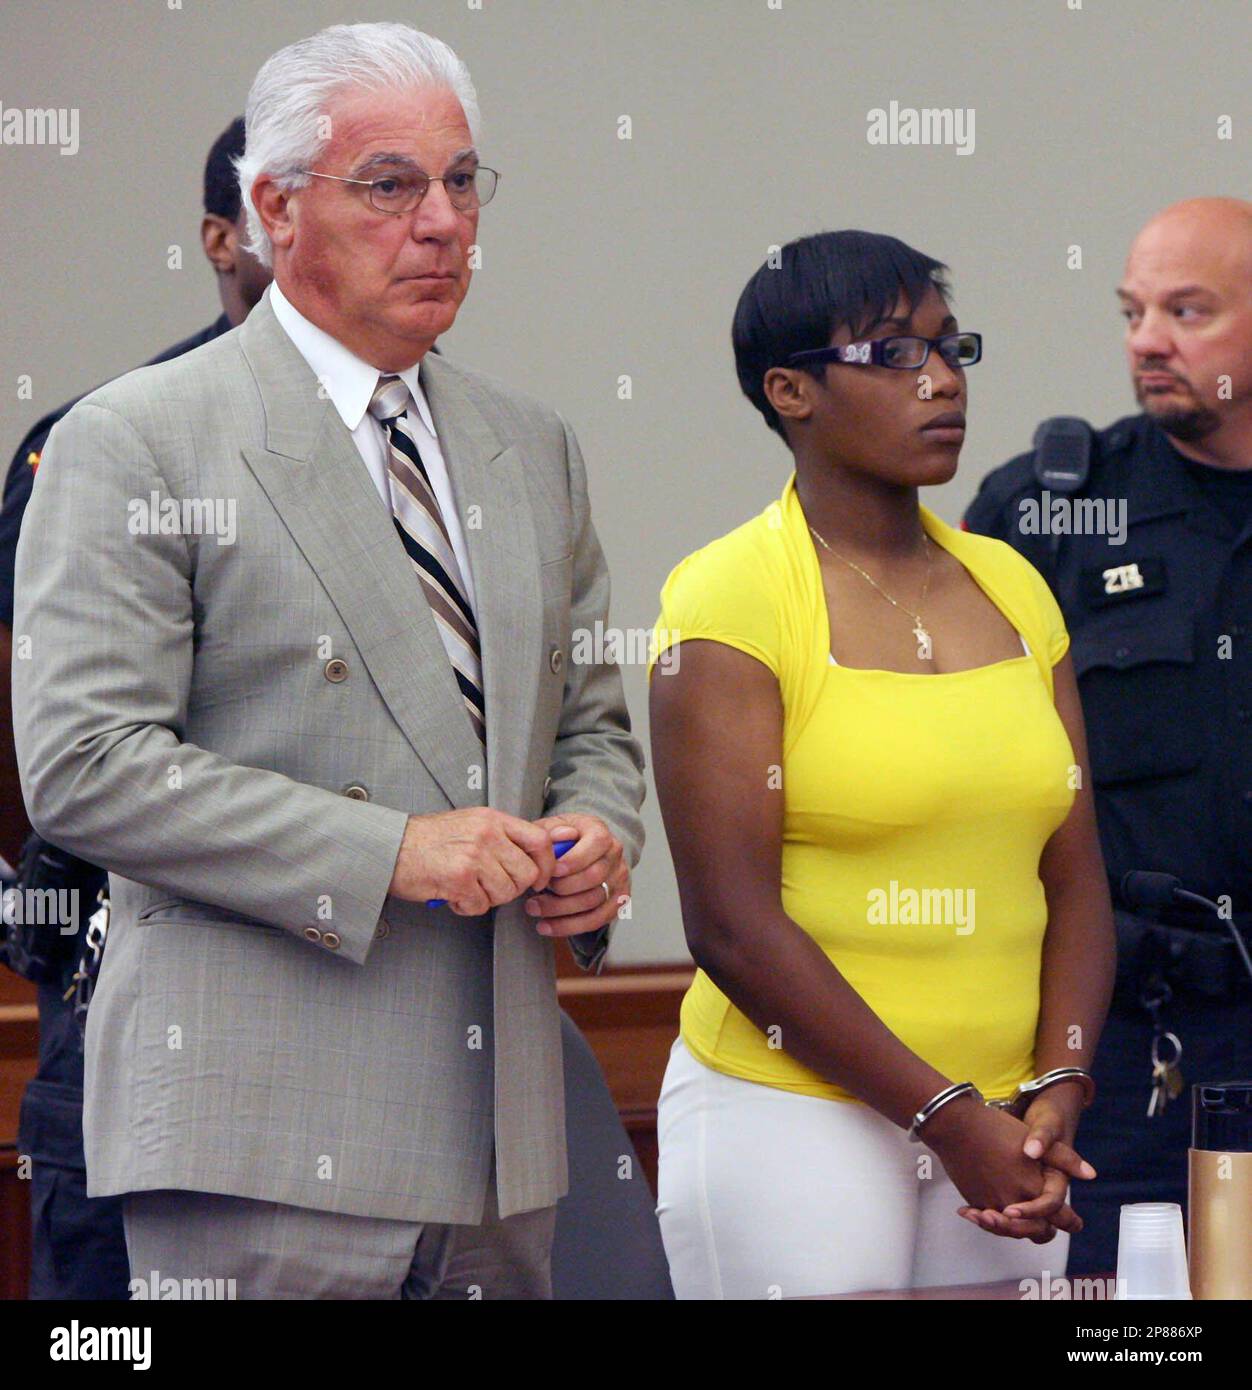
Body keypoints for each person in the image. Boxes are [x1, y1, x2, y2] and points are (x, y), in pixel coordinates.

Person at [12, 21, 644, 1300]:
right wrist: (393, 853)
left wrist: (595, 828)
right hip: (258, 1131)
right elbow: (84, 768)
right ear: (273, 208)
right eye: (391, 184)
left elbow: (590, 720)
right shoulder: (137, 438)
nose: (443, 223)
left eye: (463, 182)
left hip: (500, 1141)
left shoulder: (534, 445)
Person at [646, 230, 1115, 1299]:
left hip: (1005, 1126)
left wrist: (1060, 1081)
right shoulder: (729, 598)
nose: (942, 380)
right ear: (789, 391)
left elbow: (1074, 872)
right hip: (791, 1113)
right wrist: (945, 1116)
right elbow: (729, 924)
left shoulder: (1014, 586)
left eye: (950, 349)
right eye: (893, 354)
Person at [0, 114, 269, 1300]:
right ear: (221, 236)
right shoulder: (107, 441)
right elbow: (22, 743)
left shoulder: (450, 454)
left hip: (388, 1045)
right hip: (134, 1021)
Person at [964, 197, 1252, 1275]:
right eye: (1132, 310)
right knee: (1120, 1334)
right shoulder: (1053, 512)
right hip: (1124, 1052)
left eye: (1187, 310)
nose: (1146, 340)